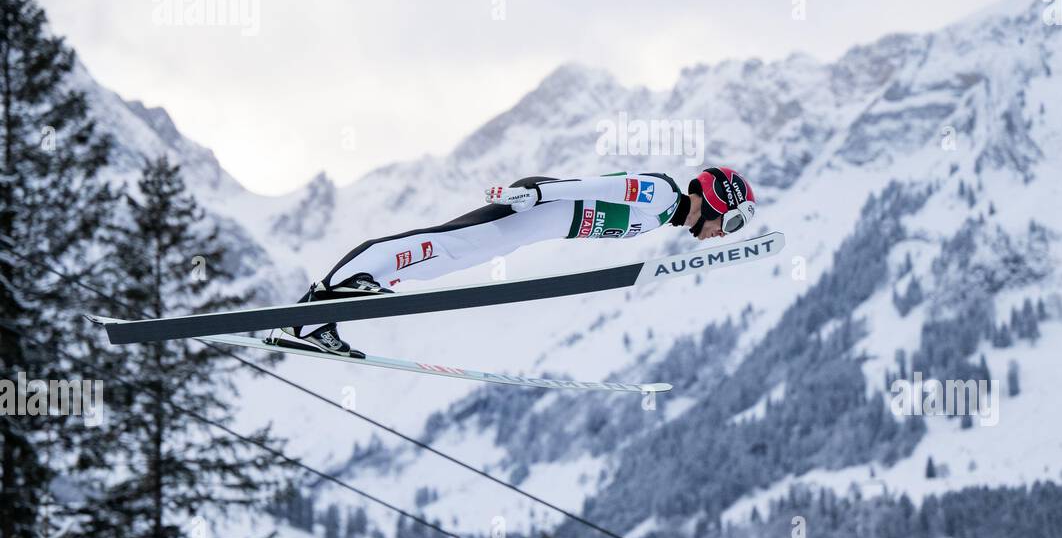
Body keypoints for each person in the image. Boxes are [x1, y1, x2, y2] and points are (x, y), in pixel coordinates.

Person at [277, 166, 757, 353]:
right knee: (446, 243)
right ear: (716, 199)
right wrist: (536, 193)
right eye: (729, 223)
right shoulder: (661, 193)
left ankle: (318, 320)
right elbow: (600, 187)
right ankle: (336, 289)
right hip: (536, 206)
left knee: (445, 259)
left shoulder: (660, 217)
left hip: (530, 227)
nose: (720, 234)